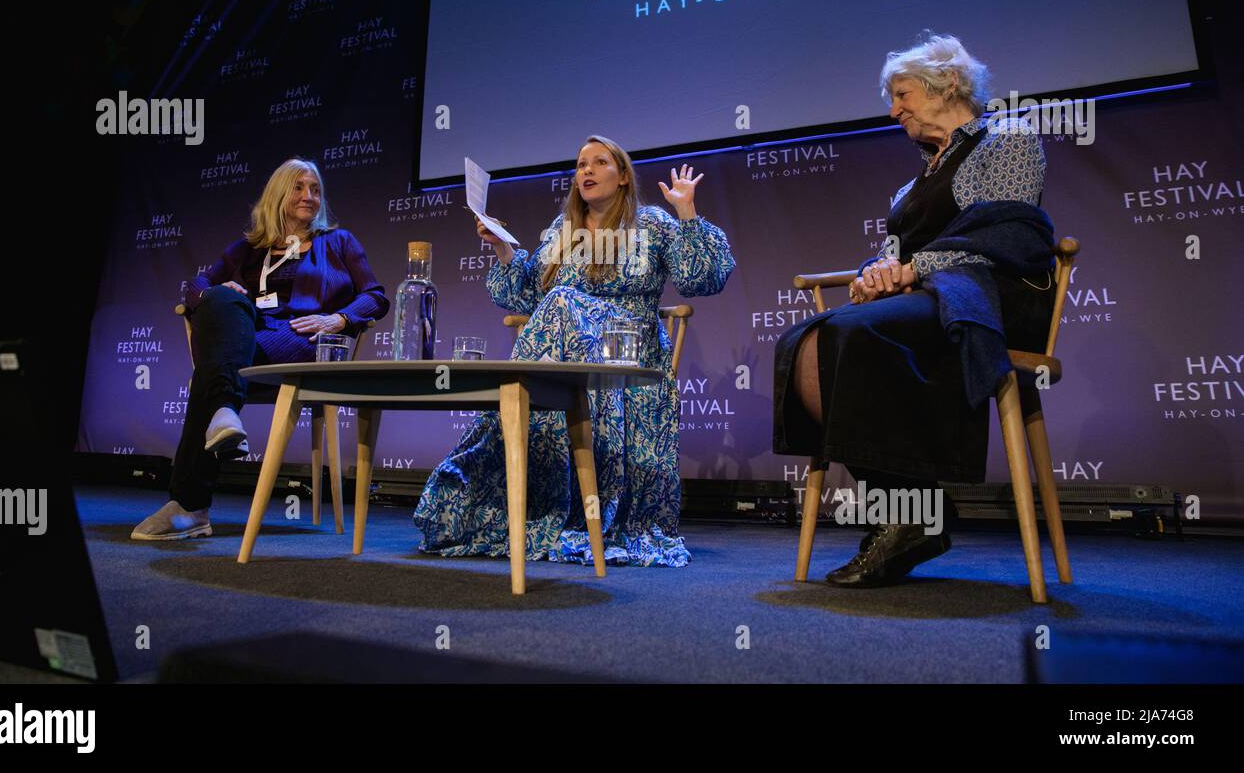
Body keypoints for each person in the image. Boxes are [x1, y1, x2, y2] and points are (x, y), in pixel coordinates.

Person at [772, 33, 1056, 587]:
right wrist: (878, 273)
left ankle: (910, 518)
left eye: (902, 94)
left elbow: (1001, 233)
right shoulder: (909, 185)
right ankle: (908, 513)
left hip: (982, 300)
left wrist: (915, 269)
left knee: (846, 340)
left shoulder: (1007, 141)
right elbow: (894, 252)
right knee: (805, 341)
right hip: (920, 300)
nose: (894, 109)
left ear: (947, 83)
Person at [414, 136, 735, 566]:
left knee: (562, 302)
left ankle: (527, 403)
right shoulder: (561, 232)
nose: (586, 170)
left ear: (622, 176)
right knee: (558, 304)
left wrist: (687, 211)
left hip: (628, 351)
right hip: (568, 354)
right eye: (581, 163)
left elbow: (703, 279)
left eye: (600, 162)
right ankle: (513, 461)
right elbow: (527, 293)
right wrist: (502, 246)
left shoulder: (652, 225)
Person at [132, 158, 389, 540]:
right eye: (299, 188)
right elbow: (193, 287)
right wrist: (215, 293)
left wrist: (336, 320)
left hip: (304, 340)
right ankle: (223, 412)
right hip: (248, 339)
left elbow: (375, 296)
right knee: (221, 300)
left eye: (315, 190)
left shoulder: (338, 242)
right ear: (278, 194)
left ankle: (190, 503)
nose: (310, 197)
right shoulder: (251, 248)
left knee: (212, 369)